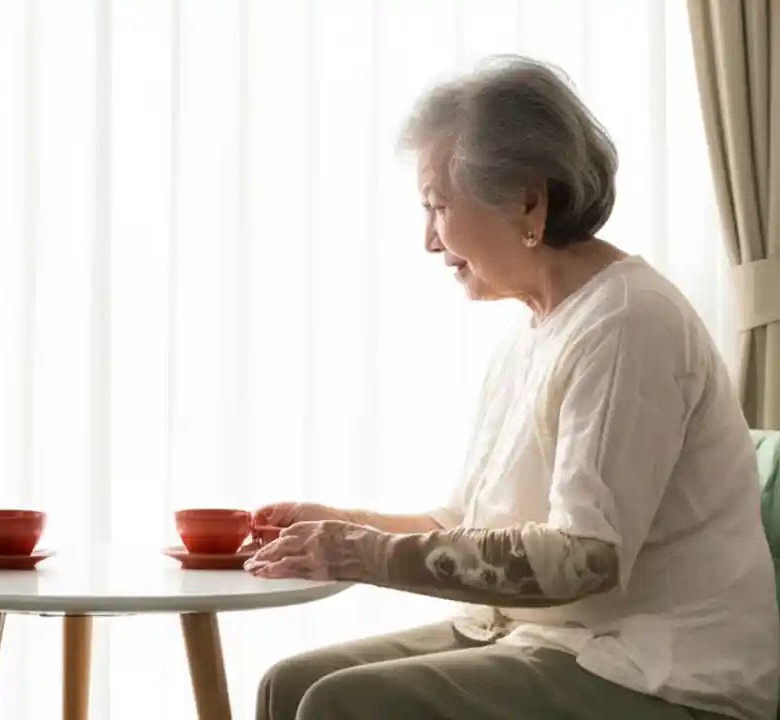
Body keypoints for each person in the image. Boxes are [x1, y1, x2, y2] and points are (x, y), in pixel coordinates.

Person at [248, 56, 779, 720]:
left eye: (438, 207)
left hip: (661, 670)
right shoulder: (534, 333)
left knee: (339, 704)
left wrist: (366, 555)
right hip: (551, 640)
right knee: (288, 683)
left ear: (528, 200)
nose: (428, 240)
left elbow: (584, 559)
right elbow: (462, 529)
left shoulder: (627, 323)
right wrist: (336, 527)